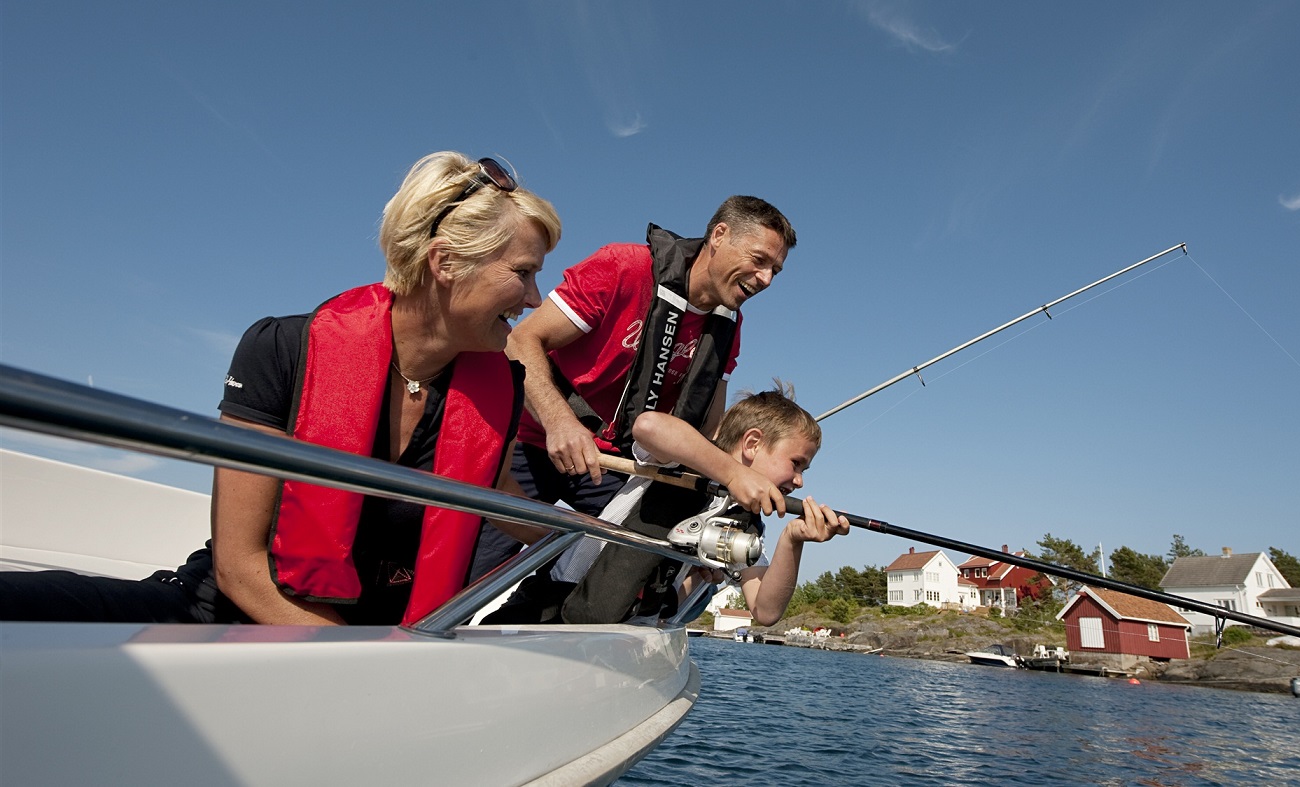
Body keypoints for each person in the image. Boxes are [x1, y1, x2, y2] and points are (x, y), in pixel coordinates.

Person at [0, 151, 561, 626]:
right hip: (229, 619)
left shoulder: (496, 391)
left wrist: (603, 538)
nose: (535, 300)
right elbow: (239, 567)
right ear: (445, 263)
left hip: (378, 644)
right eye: (522, 272)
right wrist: (358, 665)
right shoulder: (280, 350)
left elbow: (497, 490)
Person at [469, 197, 796, 575]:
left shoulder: (728, 327)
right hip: (534, 441)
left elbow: (708, 431)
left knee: (654, 563)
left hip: (613, 464)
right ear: (719, 235)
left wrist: (744, 479)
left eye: (775, 270)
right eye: (759, 260)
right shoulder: (623, 267)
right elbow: (520, 341)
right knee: (472, 569)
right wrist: (559, 421)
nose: (766, 280)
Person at [484, 382, 849, 626]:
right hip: (549, 609)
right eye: (796, 463)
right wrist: (732, 475)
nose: (800, 480)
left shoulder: (744, 522)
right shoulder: (679, 462)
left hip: (619, 635)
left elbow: (765, 611)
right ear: (752, 444)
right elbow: (648, 428)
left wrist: (793, 540)